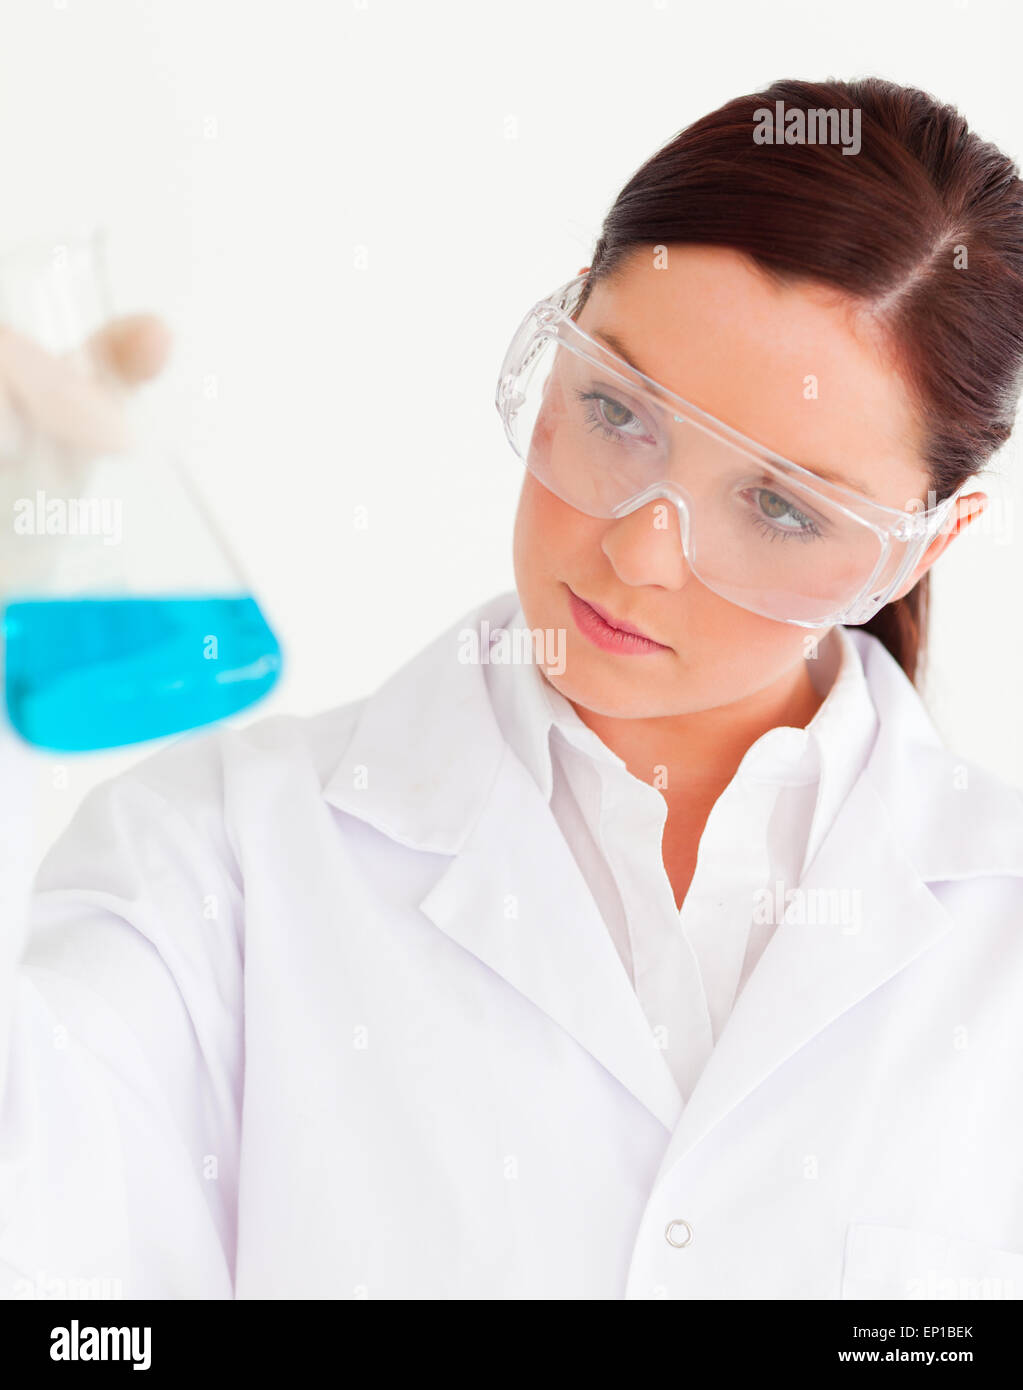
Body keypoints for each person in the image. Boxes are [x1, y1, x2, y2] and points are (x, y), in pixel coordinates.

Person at [3, 74, 1023, 1301]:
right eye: (617, 411)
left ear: (922, 548)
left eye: (779, 506)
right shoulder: (213, 862)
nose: (639, 553)